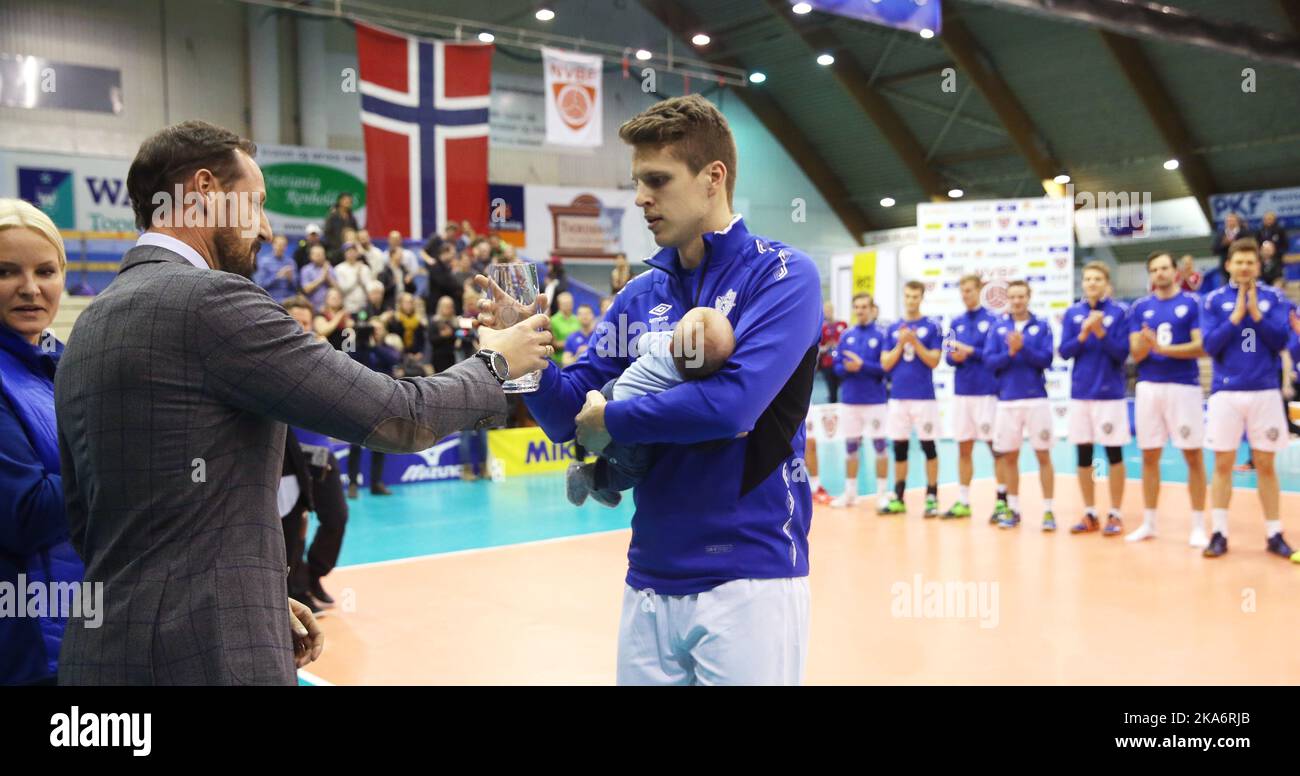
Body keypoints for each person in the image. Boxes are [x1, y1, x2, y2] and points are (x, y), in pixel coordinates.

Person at [55, 120, 554, 686]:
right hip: (202, 659)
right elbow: (398, 415)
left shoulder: (90, 323)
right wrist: (496, 363)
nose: (266, 229)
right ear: (203, 192)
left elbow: (89, 520)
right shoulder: (211, 301)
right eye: (259, 204)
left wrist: (252, 595)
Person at [483, 95, 820, 686]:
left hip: (750, 575)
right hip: (650, 575)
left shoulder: (782, 275)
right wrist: (524, 358)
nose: (641, 198)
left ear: (713, 178)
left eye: (657, 181)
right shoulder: (640, 295)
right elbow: (569, 416)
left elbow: (732, 408)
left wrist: (614, 420)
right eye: (638, 182)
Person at [0, 198, 84, 686]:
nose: (30, 288)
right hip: (25, 649)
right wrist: (128, 464)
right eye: (6, 271)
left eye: (45, 270)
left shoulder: (62, 362)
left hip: (84, 629)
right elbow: (25, 514)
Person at [566, 307, 735, 507]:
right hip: (623, 419)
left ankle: (592, 462)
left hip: (613, 389)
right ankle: (590, 477)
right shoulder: (687, 386)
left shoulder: (663, 341)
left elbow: (641, 343)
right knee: (632, 472)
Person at [1199, 238, 1295, 560]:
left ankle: (1273, 533)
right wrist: (1236, 317)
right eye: (1238, 262)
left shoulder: (1274, 297)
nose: (1244, 267)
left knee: (1266, 465)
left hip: (1264, 391)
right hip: (1225, 392)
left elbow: (1281, 340)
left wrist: (1255, 314)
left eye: (1249, 262)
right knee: (1223, 464)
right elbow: (1210, 345)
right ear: (1228, 265)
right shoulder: (1213, 300)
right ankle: (1219, 533)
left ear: (1258, 266)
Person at [1125, 250, 1208, 546]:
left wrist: (1163, 351)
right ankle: (1149, 522)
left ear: (1175, 272)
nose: (1159, 273)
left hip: (1183, 386)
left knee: (1193, 455)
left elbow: (1202, 347)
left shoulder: (1191, 303)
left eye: (1164, 268)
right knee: (1149, 455)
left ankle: (1198, 525)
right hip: (1149, 387)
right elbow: (1136, 353)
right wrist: (1148, 346)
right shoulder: (1139, 307)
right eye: (1154, 269)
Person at [1059, 261, 1131, 536]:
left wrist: (1101, 333)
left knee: (1114, 454)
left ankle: (1115, 512)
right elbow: (1065, 351)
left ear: (1106, 284)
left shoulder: (1119, 313)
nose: (1091, 283)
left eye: (1097, 279)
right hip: (1081, 394)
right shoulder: (1073, 313)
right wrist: (1084, 333)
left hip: (1109, 394)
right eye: (1087, 279)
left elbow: (1121, 354)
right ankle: (1089, 512)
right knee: (1083, 455)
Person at [984, 280, 1057, 531]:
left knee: (1043, 455)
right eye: (1012, 297)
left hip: (1036, 399)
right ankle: (1013, 509)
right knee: (1009, 458)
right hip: (1007, 401)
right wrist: (1011, 353)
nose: (1017, 301)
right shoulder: (997, 328)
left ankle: (1048, 511)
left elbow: (1046, 360)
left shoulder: (1042, 326)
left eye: (1021, 296)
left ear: (1029, 297)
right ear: (1008, 299)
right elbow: (990, 362)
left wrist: (1022, 347)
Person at [880, 281, 943, 517]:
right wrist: (901, 343)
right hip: (898, 397)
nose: (911, 300)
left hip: (924, 398)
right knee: (900, 448)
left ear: (921, 298)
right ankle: (898, 497)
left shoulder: (932, 327)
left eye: (915, 296)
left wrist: (915, 342)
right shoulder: (893, 328)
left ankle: (932, 496)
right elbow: (885, 363)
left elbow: (934, 361)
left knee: (928, 446)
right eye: (907, 296)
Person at [944, 274, 1000, 519]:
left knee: (995, 448)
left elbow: (992, 354)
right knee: (963, 448)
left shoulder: (993, 320)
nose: (966, 295)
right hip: (962, 392)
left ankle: (1002, 500)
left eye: (969, 290)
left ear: (979, 290)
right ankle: (964, 501)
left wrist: (970, 351)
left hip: (986, 392)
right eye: (963, 291)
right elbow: (947, 355)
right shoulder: (956, 322)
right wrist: (953, 357)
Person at [829, 292, 891, 511]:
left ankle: (882, 494)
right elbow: (835, 366)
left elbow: (885, 368)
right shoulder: (846, 336)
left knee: (880, 446)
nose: (860, 310)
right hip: (850, 400)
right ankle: (850, 493)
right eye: (856, 307)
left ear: (872, 309)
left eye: (864, 307)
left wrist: (862, 365)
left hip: (875, 401)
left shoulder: (883, 335)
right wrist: (846, 368)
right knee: (850, 447)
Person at [818, 301, 847, 404]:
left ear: (833, 311)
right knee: (832, 393)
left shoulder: (842, 325)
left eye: (829, 310)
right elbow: (818, 348)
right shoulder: (822, 328)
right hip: (828, 363)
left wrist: (839, 346)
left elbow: (848, 343)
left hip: (842, 363)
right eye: (825, 311)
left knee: (845, 391)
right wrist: (826, 347)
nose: (828, 313)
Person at [253, 234, 297, 302]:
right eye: (279, 244)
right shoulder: (264, 262)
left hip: (288, 301)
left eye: (283, 245)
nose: (281, 247)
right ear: (273, 245)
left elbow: (296, 288)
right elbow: (260, 285)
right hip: (270, 300)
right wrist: (277, 276)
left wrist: (291, 279)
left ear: (286, 247)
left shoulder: (291, 263)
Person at [335, 243, 373, 314]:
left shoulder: (364, 268)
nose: (351, 253)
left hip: (363, 305)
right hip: (347, 306)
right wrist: (356, 276)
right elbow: (343, 289)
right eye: (348, 251)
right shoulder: (339, 269)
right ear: (344, 253)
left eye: (353, 251)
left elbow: (369, 287)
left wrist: (361, 278)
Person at [323, 192, 359, 260]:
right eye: (346, 200)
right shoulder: (332, 216)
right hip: (335, 250)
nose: (348, 202)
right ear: (340, 201)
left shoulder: (352, 218)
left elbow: (356, 232)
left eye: (350, 201)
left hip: (350, 249)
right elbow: (327, 233)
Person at [299, 243, 335, 311]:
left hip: (328, 309)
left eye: (321, 254)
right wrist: (321, 279)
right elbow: (306, 289)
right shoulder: (306, 270)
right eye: (316, 254)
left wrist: (328, 278)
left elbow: (337, 289)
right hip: (312, 307)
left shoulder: (329, 268)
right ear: (310, 256)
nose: (319, 256)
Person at [549, 291, 581, 364]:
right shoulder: (553, 321)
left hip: (576, 359)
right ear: (559, 305)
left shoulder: (577, 319)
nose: (568, 306)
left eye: (570, 303)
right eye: (565, 304)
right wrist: (571, 342)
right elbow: (553, 343)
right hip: (559, 360)